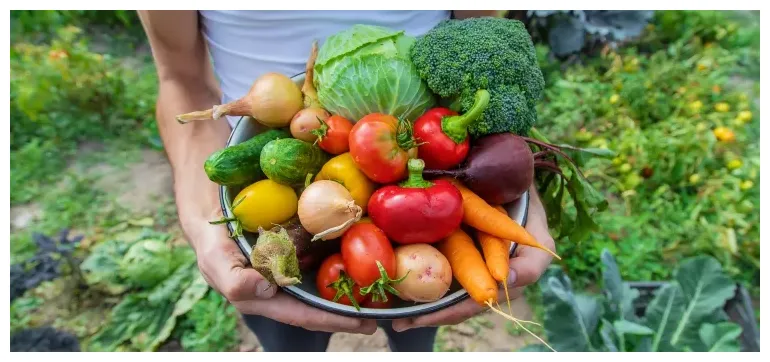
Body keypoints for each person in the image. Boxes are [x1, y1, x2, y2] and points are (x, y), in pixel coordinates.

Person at [137, 10, 557, 352]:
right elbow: (180, 80)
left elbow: (487, 66)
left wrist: (515, 179)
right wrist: (201, 219)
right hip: (271, 149)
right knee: (288, 340)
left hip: (437, 143)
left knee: (418, 322)